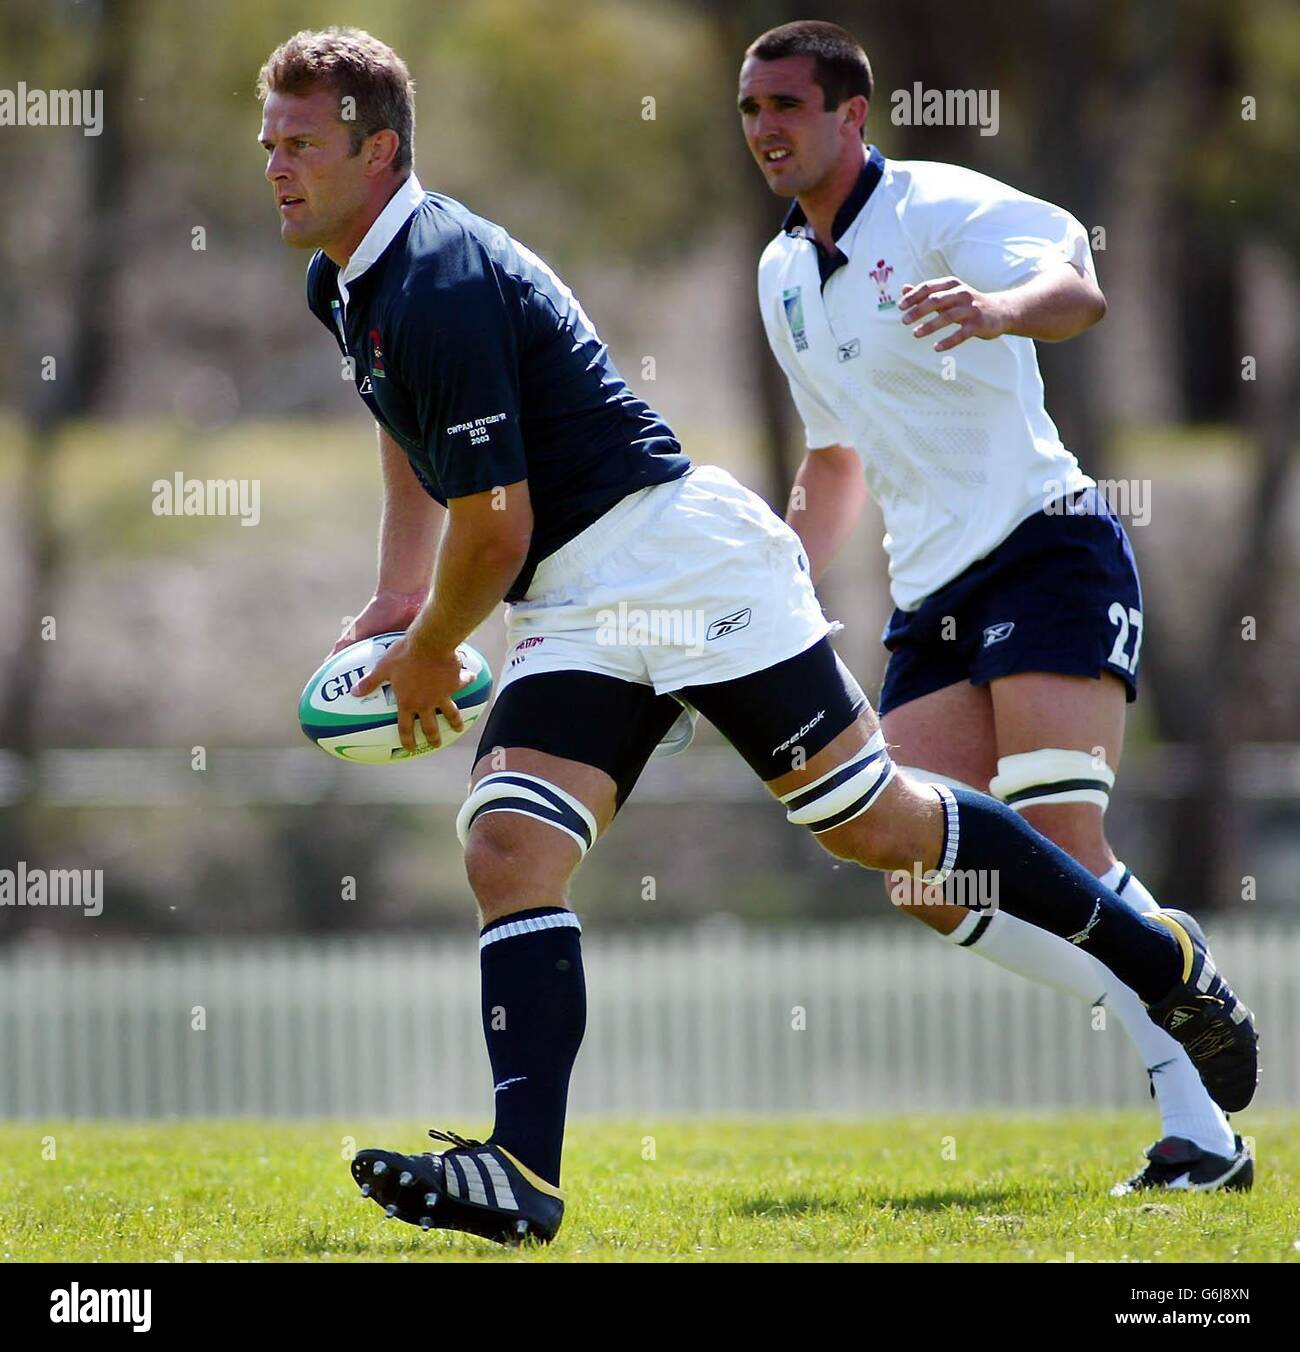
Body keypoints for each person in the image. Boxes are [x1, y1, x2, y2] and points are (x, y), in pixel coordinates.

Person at [256, 26, 1257, 1244]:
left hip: (679, 560)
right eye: (269, 142)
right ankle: (523, 1173)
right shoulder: (352, 280)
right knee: (508, 846)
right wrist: (396, 601)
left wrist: (428, 653)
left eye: (301, 143)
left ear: (380, 152)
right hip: (575, 599)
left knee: (876, 822)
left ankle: (1165, 973)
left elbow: (496, 523)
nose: (276, 164)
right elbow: (407, 428)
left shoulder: (440, 274)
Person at [740, 19, 1253, 1194]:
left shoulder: (935, 203)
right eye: (751, 110)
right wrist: (772, 588)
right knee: (925, 875)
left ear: (850, 115)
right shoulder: (779, 277)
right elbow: (831, 461)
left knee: (1061, 839)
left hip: (1046, 549)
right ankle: (1170, 967)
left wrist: (993, 307)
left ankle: (1196, 1133)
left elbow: (1077, 290)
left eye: (787, 106)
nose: (766, 129)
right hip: (930, 599)